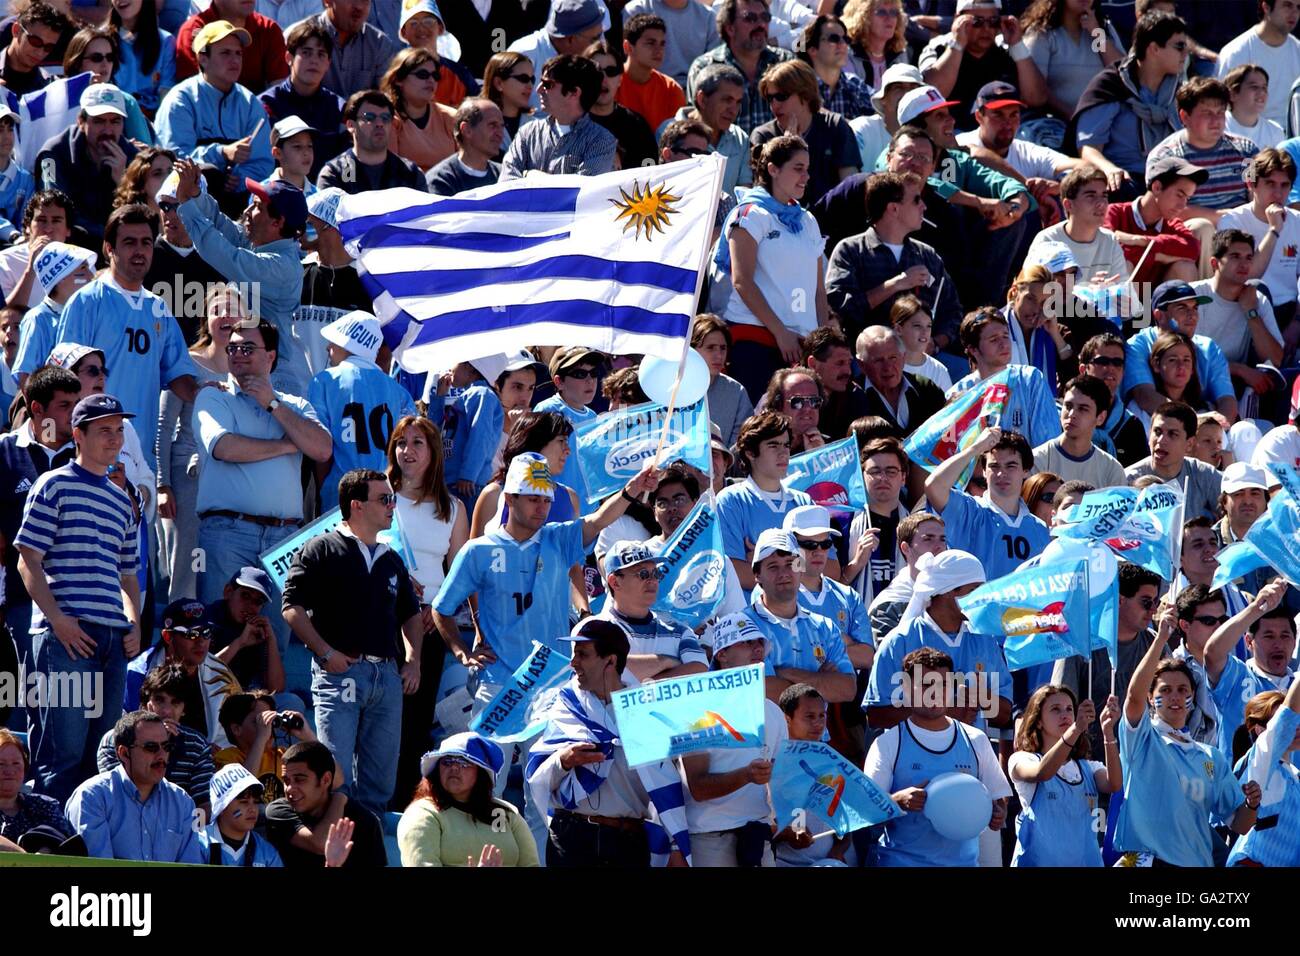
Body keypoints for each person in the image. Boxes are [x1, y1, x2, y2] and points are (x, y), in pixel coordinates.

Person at [16, 394, 141, 804]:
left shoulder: (122, 500)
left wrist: (134, 624)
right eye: (104, 429)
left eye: (119, 430)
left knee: (102, 757)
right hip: (64, 638)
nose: (114, 438)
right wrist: (58, 621)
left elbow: (128, 576)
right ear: (78, 434)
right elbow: (27, 562)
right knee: (61, 756)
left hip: (112, 640)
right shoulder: (52, 484)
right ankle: (48, 852)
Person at [282, 469, 423, 815]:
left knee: (381, 781)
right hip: (339, 673)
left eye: (392, 498)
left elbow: (411, 614)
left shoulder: (392, 558)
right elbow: (291, 607)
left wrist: (413, 659)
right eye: (384, 499)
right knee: (333, 773)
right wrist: (325, 652)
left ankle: (368, 850)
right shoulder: (321, 547)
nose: (393, 506)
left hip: (386, 676)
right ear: (356, 506)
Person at [192, 315, 330, 623]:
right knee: (218, 633)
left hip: (284, 539)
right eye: (233, 348)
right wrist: (287, 445)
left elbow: (321, 449)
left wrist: (273, 405)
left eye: (247, 348)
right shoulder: (213, 395)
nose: (237, 354)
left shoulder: (295, 404)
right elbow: (225, 448)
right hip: (227, 533)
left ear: (270, 356)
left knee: (274, 642)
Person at [525, 617, 691, 867]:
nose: (573, 663)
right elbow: (537, 775)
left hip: (626, 841)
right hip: (571, 837)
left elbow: (666, 782)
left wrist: (677, 846)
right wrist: (564, 761)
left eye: (583, 654)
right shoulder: (566, 707)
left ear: (611, 660)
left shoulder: (645, 713)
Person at [1114, 607, 1259, 867]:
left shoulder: (1210, 756)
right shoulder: (1142, 738)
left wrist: (1251, 804)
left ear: (1192, 698)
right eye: (1165, 690)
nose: (1175, 697)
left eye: (1183, 690)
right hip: (1149, 863)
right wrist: (1160, 640)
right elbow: (1133, 697)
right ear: (1151, 698)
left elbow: (1240, 822)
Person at [173, 160, 311, 399]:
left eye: (256, 206)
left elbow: (225, 255)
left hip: (275, 381)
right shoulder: (262, 245)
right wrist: (196, 195)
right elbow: (221, 225)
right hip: (255, 373)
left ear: (277, 223)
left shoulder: (283, 267)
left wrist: (186, 203)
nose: (247, 211)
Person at [863, 646, 1013, 866]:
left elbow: (998, 797)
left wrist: (999, 812)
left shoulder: (976, 739)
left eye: (943, 684)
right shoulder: (888, 744)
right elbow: (867, 811)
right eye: (926, 684)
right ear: (905, 687)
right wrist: (896, 801)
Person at [386, 415, 468, 806]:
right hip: (381, 620)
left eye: (418, 442)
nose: (408, 451)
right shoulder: (380, 495)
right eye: (402, 443)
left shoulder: (452, 508)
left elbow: (459, 574)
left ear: (434, 452)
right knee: (383, 718)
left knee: (416, 721)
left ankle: (406, 802)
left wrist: (434, 607)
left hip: (430, 624)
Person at [717, 134, 829, 402]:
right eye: (798, 168)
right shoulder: (750, 214)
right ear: (773, 169)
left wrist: (822, 341)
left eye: (807, 169)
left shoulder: (808, 220)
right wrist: (780, 332)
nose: (806, 176)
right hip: (756, 339)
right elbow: (741, 281)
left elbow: (818, 291)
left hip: (799, 346)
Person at [681, 612, 787, 867]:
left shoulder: (772, 712)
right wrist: (747, 775)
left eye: (760, 642)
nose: (757, 648)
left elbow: (782, 782)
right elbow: (697, 787)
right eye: (746, 642)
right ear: (722, 654)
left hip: (758, 839)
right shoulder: (695, 711)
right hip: (710, 840)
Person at [156, 285, 240, 605]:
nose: (225, 316)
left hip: (230, 479)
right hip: (188, 476)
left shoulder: (246, 366)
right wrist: (163, 484)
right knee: (188, 560)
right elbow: (163, 428)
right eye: (218, 309)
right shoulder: (187, 362)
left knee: (218, 561)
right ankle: (181, 632)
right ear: (207, 318)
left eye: (233, 309)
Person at [0, 365, 78, 687]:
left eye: (78, 403)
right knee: (24, 705)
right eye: (65, 406)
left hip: (76, 605)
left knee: (66, 712)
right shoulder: (4, 452)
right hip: (20, 601)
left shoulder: (87, 456)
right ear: (37, 409)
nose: (75, 414)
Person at [155, 21, 275, 213]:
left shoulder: (250, 102)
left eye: (238, 53)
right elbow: (172, 159)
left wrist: (239, 180)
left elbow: (264, 163)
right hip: (184, 205)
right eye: (225, 53)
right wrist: (221, 154)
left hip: (239, 206)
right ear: (203, 58)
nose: (235, 60)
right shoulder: (180, 100)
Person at [826, 171, 959, 345]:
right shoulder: (850, 250)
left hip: (923, 362)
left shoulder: (927, 255)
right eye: (916, 200)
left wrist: (935, 343)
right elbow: (840, 310)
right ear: (894, 208)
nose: (924, 207)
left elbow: (953, 311)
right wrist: (894, 285)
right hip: (866, 361)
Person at [1067, 10, 1190, 195]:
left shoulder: (1102, 25)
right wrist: (1108, 169)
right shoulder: (1110, 86)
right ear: (1154, 48)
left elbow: (1110, 56)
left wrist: (1095, 30)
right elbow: (1088, 148)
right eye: (1179, 46)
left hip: (1168, 179)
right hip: (1128, 181)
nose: (1186, 53)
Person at [64, 711, 204, 863]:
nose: (161, 755)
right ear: (124, 753)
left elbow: (192, 864)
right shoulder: (92, 797)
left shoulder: (183, 803)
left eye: (167, 746)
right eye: (151, 747)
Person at [309, 312, 416, 507]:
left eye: (333, 341)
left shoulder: (323, 381)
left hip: (339, 494)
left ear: (346, 343)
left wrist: (324, 487)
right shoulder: (399, 392)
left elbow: (320, 447)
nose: (328, 347)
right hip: (387, 496)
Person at [1009, 684, 1122, 866]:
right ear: (1038, 721)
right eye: (1055, 709)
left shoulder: (1089, 767)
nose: (1065, 715)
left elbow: (1114, 785)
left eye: (1070, 709)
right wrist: (1076, 728)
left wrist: (1108, 732)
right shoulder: (1021, 759)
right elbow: (1042, 772)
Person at [742, 528, 856, 705]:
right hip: (766, 733)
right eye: (773, 567)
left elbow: (847, 689)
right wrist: (821, 679)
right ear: (757, 575)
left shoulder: (825, 627)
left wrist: (784, 673)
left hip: (818, 733)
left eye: (791, 564)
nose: (784, 573)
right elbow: (760, 690)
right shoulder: (741, 628)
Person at [926, 423, 1053, 580]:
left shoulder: (1040, 529)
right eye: (994, 466)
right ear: (984, 472)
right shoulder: (970, 511)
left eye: (1011, 466)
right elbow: (934, 486)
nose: (1001, 473)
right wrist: (976, 449)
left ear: (1026, 470)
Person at [398, 732, 538, 866]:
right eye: (447, 761)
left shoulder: (503, 813)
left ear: (481, 772)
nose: (454, 767)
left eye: (463, 762)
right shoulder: (424, 813)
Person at [95, 661, 215, 809]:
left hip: (179, 827)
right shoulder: (115, 740)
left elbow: (204, 807)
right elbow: (121, 795)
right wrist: (159, 743)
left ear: (184, 709)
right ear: (145, 704)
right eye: (159, 700)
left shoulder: (197, 746)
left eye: (175, 703)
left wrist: (168, 747)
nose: (166, 711)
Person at [716, 411, 814, 592]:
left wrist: (764, 564)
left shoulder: (804, 501)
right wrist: (799, 563)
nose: (784, 452)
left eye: (786, 445)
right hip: (752, 618)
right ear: (750, 453)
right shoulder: (729, 501)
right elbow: (733, 572)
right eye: (773, 445)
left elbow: (831, 569)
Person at [124, 598, 242, 747]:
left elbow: (237, 738)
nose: (201, 641)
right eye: (191, 634)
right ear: (168, 636)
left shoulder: (222, 676)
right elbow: (123, 734)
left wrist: (218, 756)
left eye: (206, 632)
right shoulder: (137, 674)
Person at [956, 80, 1082, 216]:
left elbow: (1086, 167)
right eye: (998, 114)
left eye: (1014, 114)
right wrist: (1029, 190)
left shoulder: (1027, 151)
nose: (1007, 123)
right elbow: (975, 153)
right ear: (979, 117)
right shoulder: (962, 141)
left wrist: (1059, 186)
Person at [1121, 280, 1238, 425]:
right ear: (1159, 316)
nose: (1192, 315)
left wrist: (1219, 426)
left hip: (1203, 429)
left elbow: (1227, 400)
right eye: (1182, 308)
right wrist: (1194, 420)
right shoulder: (1137, 345)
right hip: (1159, 427)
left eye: (1195, 308)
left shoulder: (1209, 347)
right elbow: (1145, 397)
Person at [35, 84, 138, 244]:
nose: (108, 130)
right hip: (72, 242)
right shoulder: (54, 153)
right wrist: (107, 235)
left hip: (120, 243)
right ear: (81, 122)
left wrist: (123, 184)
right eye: (99, 121)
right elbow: (53, 209)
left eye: (115, 121)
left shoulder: (132, 155)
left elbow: (146, 214)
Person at [750, 60, 860, 210]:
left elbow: (851, 189)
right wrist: (787, 152)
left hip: (832, 223)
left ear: (805, 95)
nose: (774, 105)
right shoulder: (764, 136)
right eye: (770, 98)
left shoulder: (834, 126)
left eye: (781, 96)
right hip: (782, 222)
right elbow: (763, 199)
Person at [1204, 578, 1295, 760]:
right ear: (1248, 642)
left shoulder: (1297, 686)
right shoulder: (1236, 676)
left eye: (1285, 636)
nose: (1278, 644)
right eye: (1268, 636)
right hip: (1240, 786)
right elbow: (1212, 653)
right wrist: (1255, 609)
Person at [1147, 77, 1258, 220]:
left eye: (1220, 112)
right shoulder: (1164, 157)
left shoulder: (1247, 151)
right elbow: (1166, 208)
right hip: (1192, 233)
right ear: (1185, 117)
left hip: (1242, 230)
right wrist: (1222, 217)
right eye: (1207, 113)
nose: (1216, 121)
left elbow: (1256, 196)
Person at [597, 540, 709, 682]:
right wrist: (666, 661)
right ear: (615, 582)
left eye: (656, 573)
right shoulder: (593, 628)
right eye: (643, 574)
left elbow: (700, 671)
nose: (653, 580)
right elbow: (606, 672)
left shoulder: (680, 630)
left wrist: (645, 684)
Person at [264, 739, 387, 867]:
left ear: (326, 780)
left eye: (299, 780)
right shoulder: (278, 811)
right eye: (286, 780)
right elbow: (321, 843)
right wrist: (340, 798)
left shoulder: (364, 820)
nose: (289, 788)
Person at [1218, 149, 1300, 337]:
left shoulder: (1297, 221)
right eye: (1270, 184)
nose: (1278, 193)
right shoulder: (1232, 222)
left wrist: (1297, 322)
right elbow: (1246, 275)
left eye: (1284, 185)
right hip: (1246, 310)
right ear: (1251, 184)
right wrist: (1274, 231)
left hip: (1289, 309)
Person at [1020, 0, 1124, 145]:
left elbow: (1122, 75)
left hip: (1106, 126)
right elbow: (1036, 92)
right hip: (1057, 128)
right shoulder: (1042, 34)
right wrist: (1073, 116)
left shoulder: (1101, 28)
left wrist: (1096, 32)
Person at [1192, 229, 1284, 390]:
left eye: (1249, 258)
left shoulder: (1257, 300)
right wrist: (1237, 369)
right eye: (1235, 257)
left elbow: (1275, 360)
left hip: (1232, 386)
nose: (1244, 264)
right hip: (1192, 382)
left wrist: (1251, 312)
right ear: (1215, 263)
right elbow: (1180, 360)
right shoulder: (1192, 296)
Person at [499, 55, 617, 180]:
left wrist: (531, 175)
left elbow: (579, 192)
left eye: (547, 84)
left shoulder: (601, 141)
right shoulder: (527, 133)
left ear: (574, 92)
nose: (538, 90)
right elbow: (506, 182)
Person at [687, 0, 795, 137]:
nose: (761, 25)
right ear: (730, 28)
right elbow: (696, 128)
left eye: (765, 17)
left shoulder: (785, 63)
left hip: (778, 155)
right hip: (725, 156)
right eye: (750, 18)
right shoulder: (705, 68)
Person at [258, 19, 348, 181]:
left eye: (321, 54)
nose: (313, 60)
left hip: (329, 194)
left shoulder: (339, 108)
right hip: (279, 192)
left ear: (328, 64)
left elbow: (349, 158)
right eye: (306, 52)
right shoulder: (266, 105)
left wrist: (351, 188)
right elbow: (260, 161)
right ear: (288, 58)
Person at [1226, 677, 1300, 867]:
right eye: (1292, 720)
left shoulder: (1295, 775)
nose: (1296, 726)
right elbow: (1284, 723)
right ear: (1260, 730)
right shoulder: (1259, 762)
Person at [1102, 155, 1205, 287]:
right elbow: (1106, 248)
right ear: (1156, 187)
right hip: (1117, 300)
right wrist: (1161, 256)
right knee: (1122, 263)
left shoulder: (1172, 223)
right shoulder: (1114, 212)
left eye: (1187, 199)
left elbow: (1193, 249)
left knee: (1186, 267)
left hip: (1155, 301)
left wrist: (1140, 240)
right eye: (1179, 195)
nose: (1182, 205)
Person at [1025, 164, 1129, 291]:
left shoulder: (1110, 240)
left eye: (1104, 196)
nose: (1101, 203)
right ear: (1069, 205)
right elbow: (1031, 291)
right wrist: (1087, 293)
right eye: (1091, 196)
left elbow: (1123, 293)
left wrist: (1109, 293)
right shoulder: (1047, 239)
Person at [1124, 400, 1223, 521]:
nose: (1161, 440)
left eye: (1172, 434)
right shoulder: (1129, 480)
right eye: (1157, 432)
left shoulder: (1204, 475)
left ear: (1189, 444)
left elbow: (1233, 511)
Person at [317, 89, 428, 194]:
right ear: (351, 125)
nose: (380, 123)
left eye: (385, 118)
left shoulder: (410, 174)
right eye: (369, 117)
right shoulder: (334, 175)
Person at [506, 0, 607, 112]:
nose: (601, 44)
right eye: (595, 38)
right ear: (570, 39)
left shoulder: (592, 61)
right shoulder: (524, 54)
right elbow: (505, 112)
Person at [1216, 0, 1300, 129]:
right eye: (1287, 5)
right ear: (1266, 7)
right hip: (1249, 138)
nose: (1294, 13)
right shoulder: (1235, 52)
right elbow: (1222, 104)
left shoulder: (1297, 50)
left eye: (1298, 7)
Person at [669, 63, 751, 195]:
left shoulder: (740, 138)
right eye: (727, 100)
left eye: (738, 102)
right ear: (702, 99)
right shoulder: (666, 132)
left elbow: (744, 192)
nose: (734, 110)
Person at [1032, 374, 1127, 487]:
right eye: (1068, 406)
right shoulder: (1037, 460)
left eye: (1083, 409)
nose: (1071, 414)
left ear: (1100, 417)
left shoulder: (1112, 470)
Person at [175, 0, 287, 93]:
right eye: (225, 52)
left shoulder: (268, 29)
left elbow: (279, 89)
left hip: (256, 116)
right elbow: (195, 91)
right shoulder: (196, 32)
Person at [206, 566, 283, 695]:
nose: (250, 606)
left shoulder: (257, 629)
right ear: (228, 592)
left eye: (258, 602)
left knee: (291, 701)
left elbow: (276, 689)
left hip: (241, 700)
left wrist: (271, 640)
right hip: (206, 699)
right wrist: (240, 642)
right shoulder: (206, 620)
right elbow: (202, 676)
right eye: (245, 596)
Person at [381, 46, 458, 174]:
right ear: (398, 79)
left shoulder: (451, 117)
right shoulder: (386, 117)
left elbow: (463, 167)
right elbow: (390, 172)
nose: (431, 80)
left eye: (435, 75)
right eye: (422, 75)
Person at [586, 40, 659, 171]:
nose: (603, 79)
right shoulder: (572, 124)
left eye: (611, 71)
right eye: (595, 71)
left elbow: (650, 175)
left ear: (620, 79)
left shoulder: (637, 126)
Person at [304, 0, 403, 95]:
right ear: (327, 1)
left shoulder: (380, 45)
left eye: (365, 0)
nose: (359, 7)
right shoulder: (302, 38)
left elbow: (384, 100)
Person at [1077, 333, 1147, 467]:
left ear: (1123, 371)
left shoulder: (1132, 426)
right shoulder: (1063, 418)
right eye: (1102, 361)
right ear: (1083, 369)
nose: (1110, 368)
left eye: (1117, 363)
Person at [623, 0, 719, 90]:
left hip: (695, 93)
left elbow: (713, 70)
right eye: (651, 43)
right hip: (647, 90)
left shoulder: (709, 17)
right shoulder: (637, 10)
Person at [199, 763, 283, 866]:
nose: (253, 809)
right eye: (244, 802)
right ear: (221, 807)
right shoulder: (198, 844)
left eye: (256, 801)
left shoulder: (267, 853)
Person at [617, 14, 686, 132]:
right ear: (628, 47)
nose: (659, 50)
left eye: (662, 44)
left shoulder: (671, 89)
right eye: (650, 43)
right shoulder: (610, 82)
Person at [0, 729, 70, 846]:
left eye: (16, 763)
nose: (10, 771)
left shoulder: (46, 806)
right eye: (1, 764)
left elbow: (65, 844)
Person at [693, 313, 753, 447]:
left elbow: (739, 446)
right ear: (692, 350)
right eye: (710, 348)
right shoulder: (672, 388)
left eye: (723, 348)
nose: (719, 355)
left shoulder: (737, 392)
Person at [800, 326, 870, 439]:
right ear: (813, 364)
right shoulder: (785, 397)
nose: (848, 371)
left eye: (849, 363)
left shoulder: (855, 396)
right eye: (839, 363)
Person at [801, 14, 874, 122]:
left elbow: (882, 109)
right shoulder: (799, 88)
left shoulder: (855, 84)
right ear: (812, 50)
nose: (843, 44)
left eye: (845, 39)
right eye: (834, 38)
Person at [109, 0, 176, 117]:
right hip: (114, 120)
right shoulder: (101, 40)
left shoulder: (165, 41)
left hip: (153, 122)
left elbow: (166, 92)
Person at [425, 98, 504, 196]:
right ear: (466, 130)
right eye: (493, 125)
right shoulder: (441, 180)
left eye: (501, 126)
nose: (500, 134)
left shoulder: (504, 176)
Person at [0, 2, 65, 96]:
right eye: (35, 42)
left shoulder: (53, 88)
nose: (40, 52)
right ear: (16, 30)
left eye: (48, 47)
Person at [481, 51, 536, 150]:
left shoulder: (536, 127)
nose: (530, 86)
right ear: (499, 83)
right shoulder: (476, 124)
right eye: (523, 78)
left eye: (532, 79)